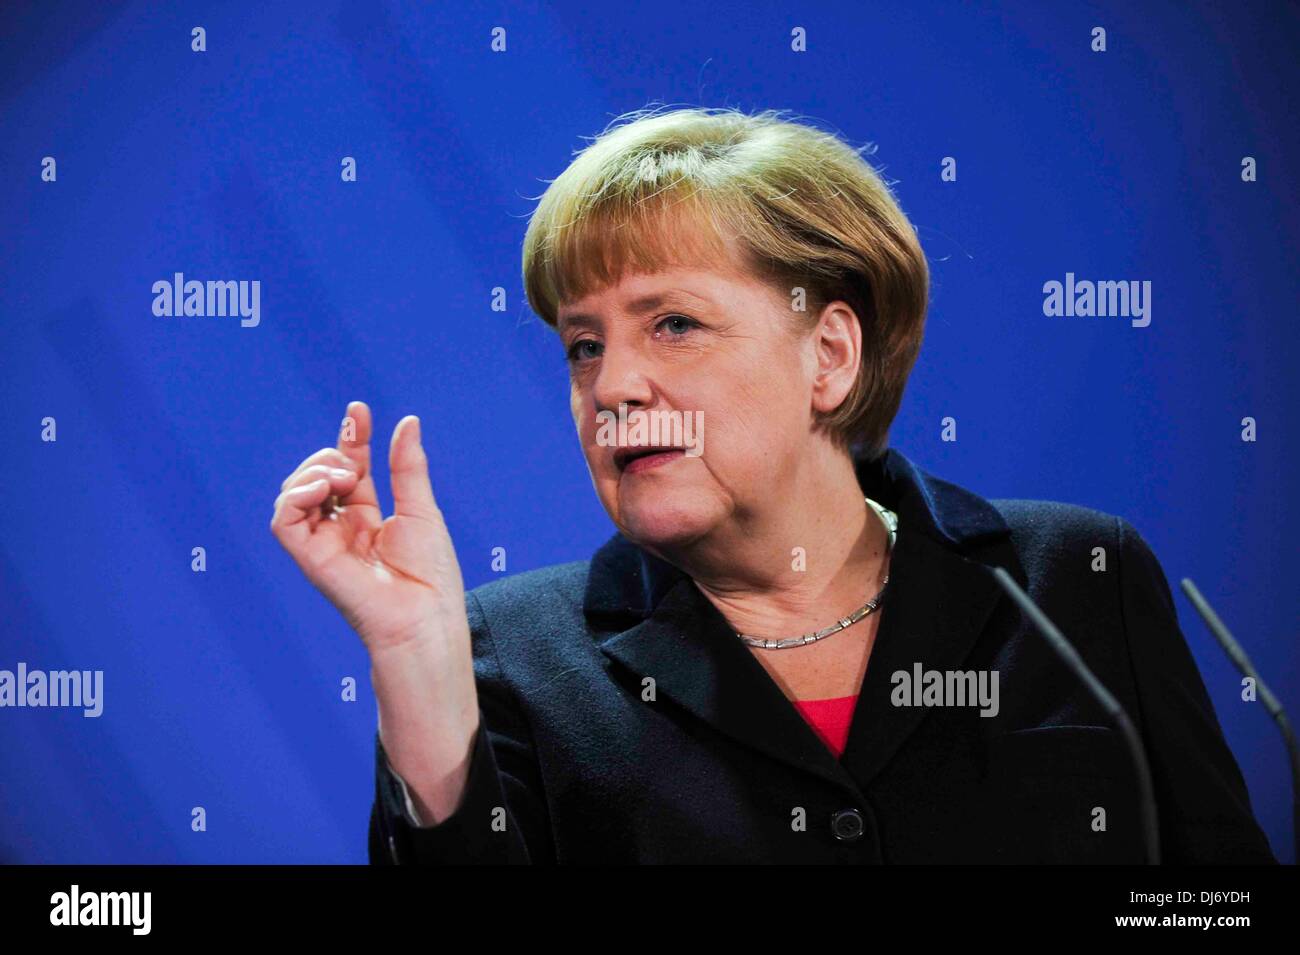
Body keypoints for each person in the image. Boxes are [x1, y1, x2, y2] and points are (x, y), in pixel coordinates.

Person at [270, 106, 1276, 864]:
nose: (612, 385)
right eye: (584, 345)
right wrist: (414, 664)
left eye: (672, 323)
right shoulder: (506, 658)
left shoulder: (1073, 575)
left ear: (828, 355)